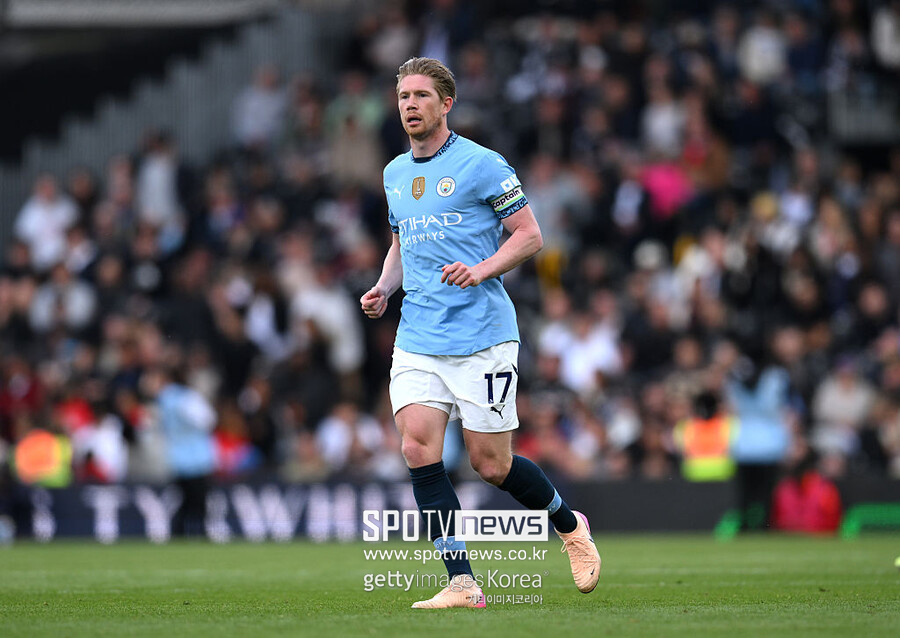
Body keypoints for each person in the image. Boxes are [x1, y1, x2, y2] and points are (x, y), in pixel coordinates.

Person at [360, 57, 600, 609]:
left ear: (446, 104)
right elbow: (403, 243)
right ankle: (462, 581)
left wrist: (482, 268)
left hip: (483, 335)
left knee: (489, 464)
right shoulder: (395, 173)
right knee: (417, 446)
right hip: (419, 334)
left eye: (421, 95)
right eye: (402, 97)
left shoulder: (483, 164)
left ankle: (569, 525)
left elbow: (530, 235)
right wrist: (383, 287)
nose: (410, 105)